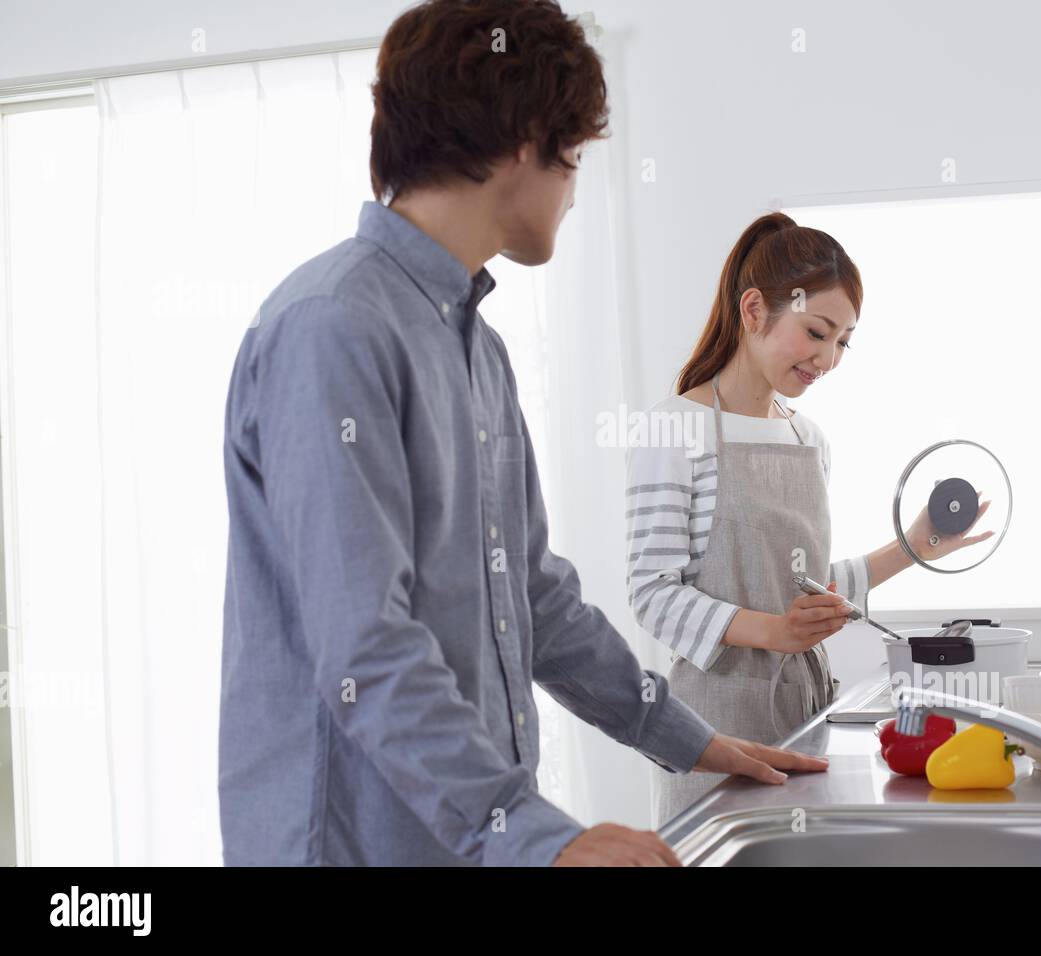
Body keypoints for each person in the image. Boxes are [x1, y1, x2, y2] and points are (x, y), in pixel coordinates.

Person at [218, 0, 828, 868]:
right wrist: (543, 837)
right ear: (523, 142)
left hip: (466, 842)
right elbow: (365, 642)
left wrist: (692, 741)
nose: (574, 191)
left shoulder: (479, 350)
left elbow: (536, 599)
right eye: (573, 158)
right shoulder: (332, 328)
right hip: (353, 845)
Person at [626, 212, 994, 825]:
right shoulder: (674, 428)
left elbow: (805, 587)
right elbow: (652, 593)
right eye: (817, 332)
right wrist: (776, 632)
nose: (829, 358)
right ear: (753, 311)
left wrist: (913, 547)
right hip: (715, 730)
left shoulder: (809, 439)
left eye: (844, 341)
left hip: (806, 714)